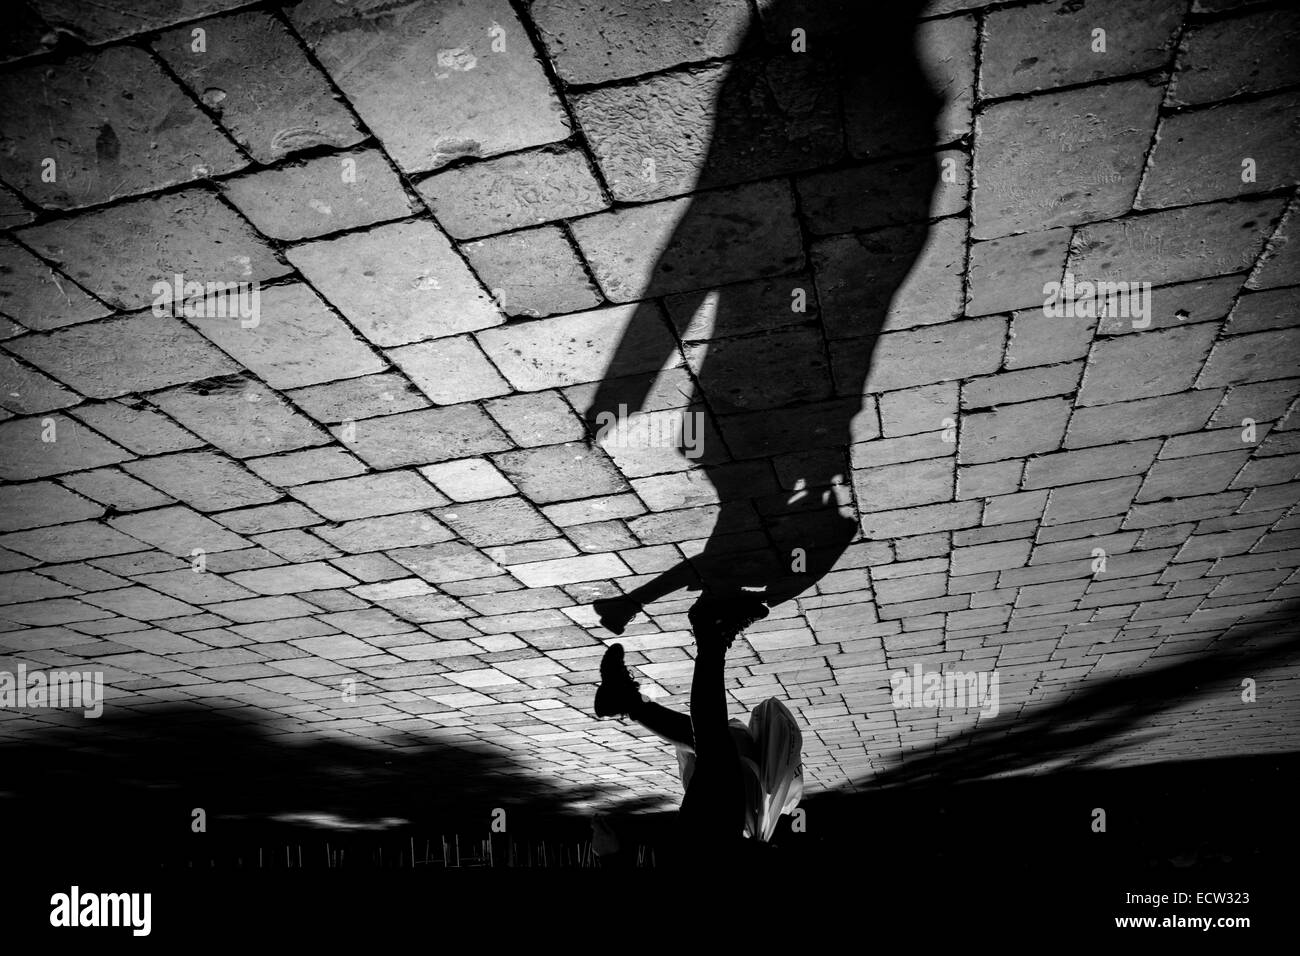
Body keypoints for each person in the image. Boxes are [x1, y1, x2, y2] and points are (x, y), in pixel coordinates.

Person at [593, 592, 804, 864]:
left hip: (705, 855)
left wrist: (612, 858)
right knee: (713, 744)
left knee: (714, 746)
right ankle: (626, 699)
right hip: (717, 849)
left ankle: (711, 631)